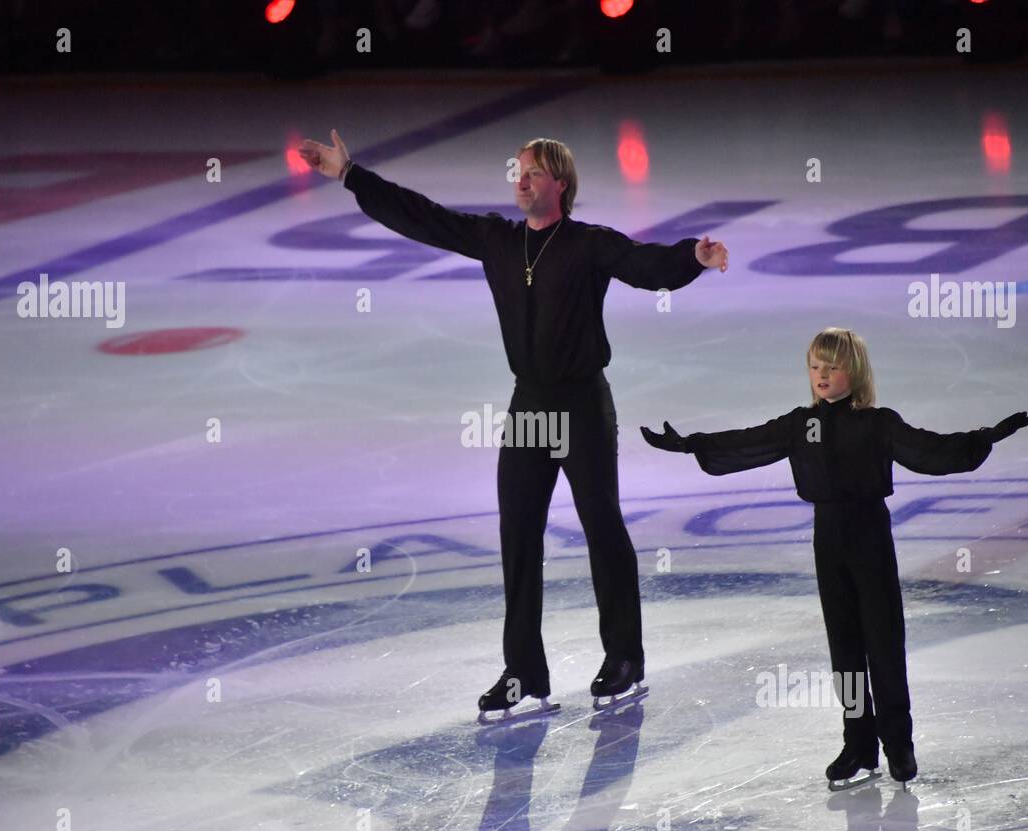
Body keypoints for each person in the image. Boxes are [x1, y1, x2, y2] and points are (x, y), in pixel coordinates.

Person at [298, 130, 729, 716]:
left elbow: (645, 265)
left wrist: (691, 258)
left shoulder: (587, 244)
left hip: (581, 405)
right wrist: (351, 175)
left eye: (533, 172)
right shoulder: (498, 240)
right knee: (518, 535)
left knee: (602, 527)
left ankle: (625, 656)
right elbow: (424, 218)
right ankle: (524, 671)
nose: (521, 180)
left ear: (561, 185)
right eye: (518, 171)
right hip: (529, 406)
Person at [641, 327, 1028, 787]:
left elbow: (929, 450)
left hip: (870, 538)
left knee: (884, 646)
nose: (821, 376)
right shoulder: (799, 424)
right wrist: (691, 444)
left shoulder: (878, 423)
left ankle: (899, 745)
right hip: (828, 541)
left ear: (856, 371)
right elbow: (747, 442)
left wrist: (983, 438)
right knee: (844, 650)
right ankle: (858, 746)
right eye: (815, 367)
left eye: (832, 367)